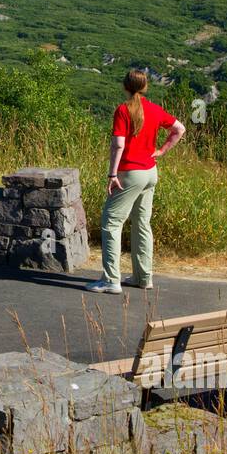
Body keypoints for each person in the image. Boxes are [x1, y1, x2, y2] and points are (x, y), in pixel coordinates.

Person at [87, 69, 185, 294]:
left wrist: (112, 174)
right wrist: (161, 150)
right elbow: (179, 129)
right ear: (145, 86)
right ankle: (143, 277)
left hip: (130, 172)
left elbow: (118, 144)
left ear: (125, 86)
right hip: (150, 171)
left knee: (111, 222)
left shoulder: (123, 110)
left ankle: (111, 280)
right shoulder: (154, 108)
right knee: (142, 223)